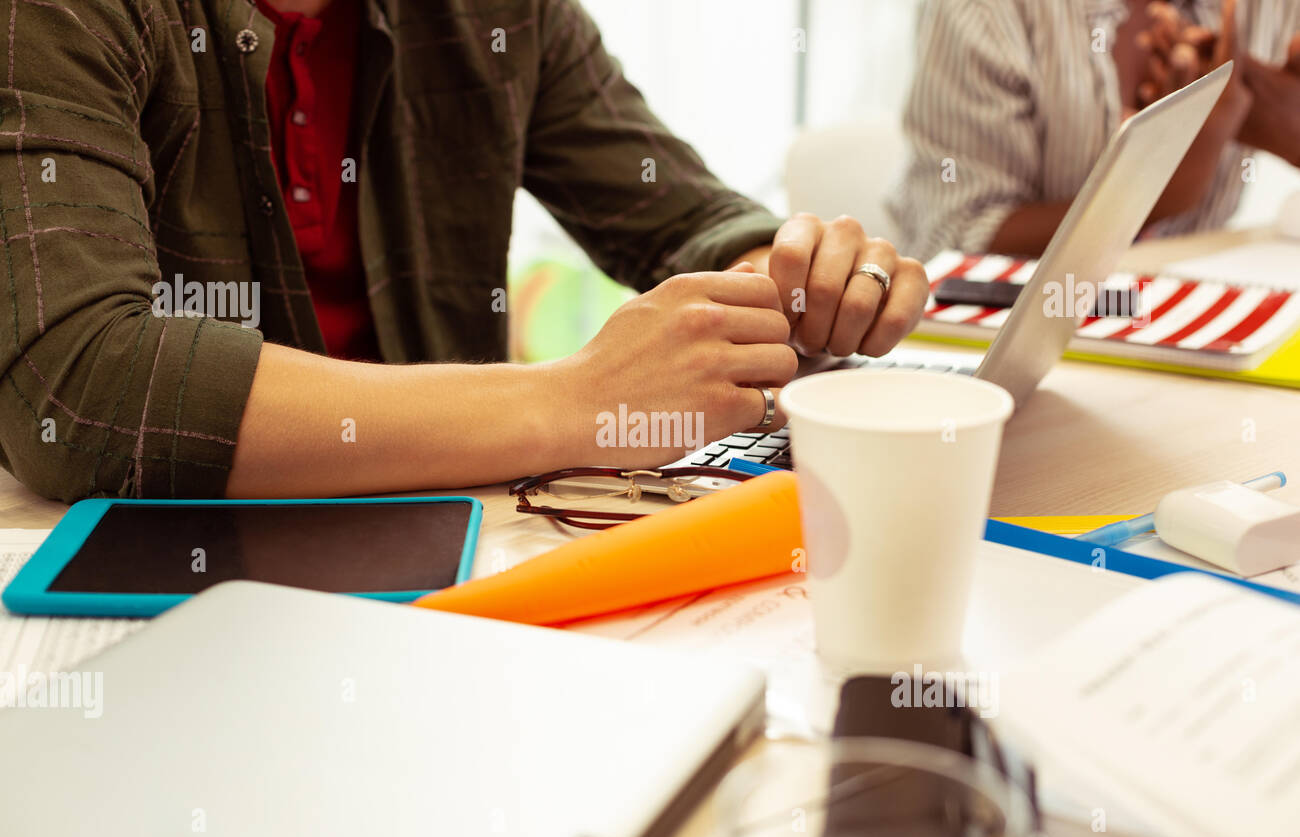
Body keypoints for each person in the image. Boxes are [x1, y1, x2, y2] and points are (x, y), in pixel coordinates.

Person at [0, 0, 929, 502]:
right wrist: (576, 401)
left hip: (459, 554)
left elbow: (675, 210)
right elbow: (80, 385)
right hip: (157, 596)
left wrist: (783, 275)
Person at [889, 0, 1300, 262]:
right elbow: (951, 241)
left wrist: (1288, 132)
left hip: (1192, 322)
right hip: (994, 344)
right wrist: (1149, 191)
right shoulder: (986, 11)